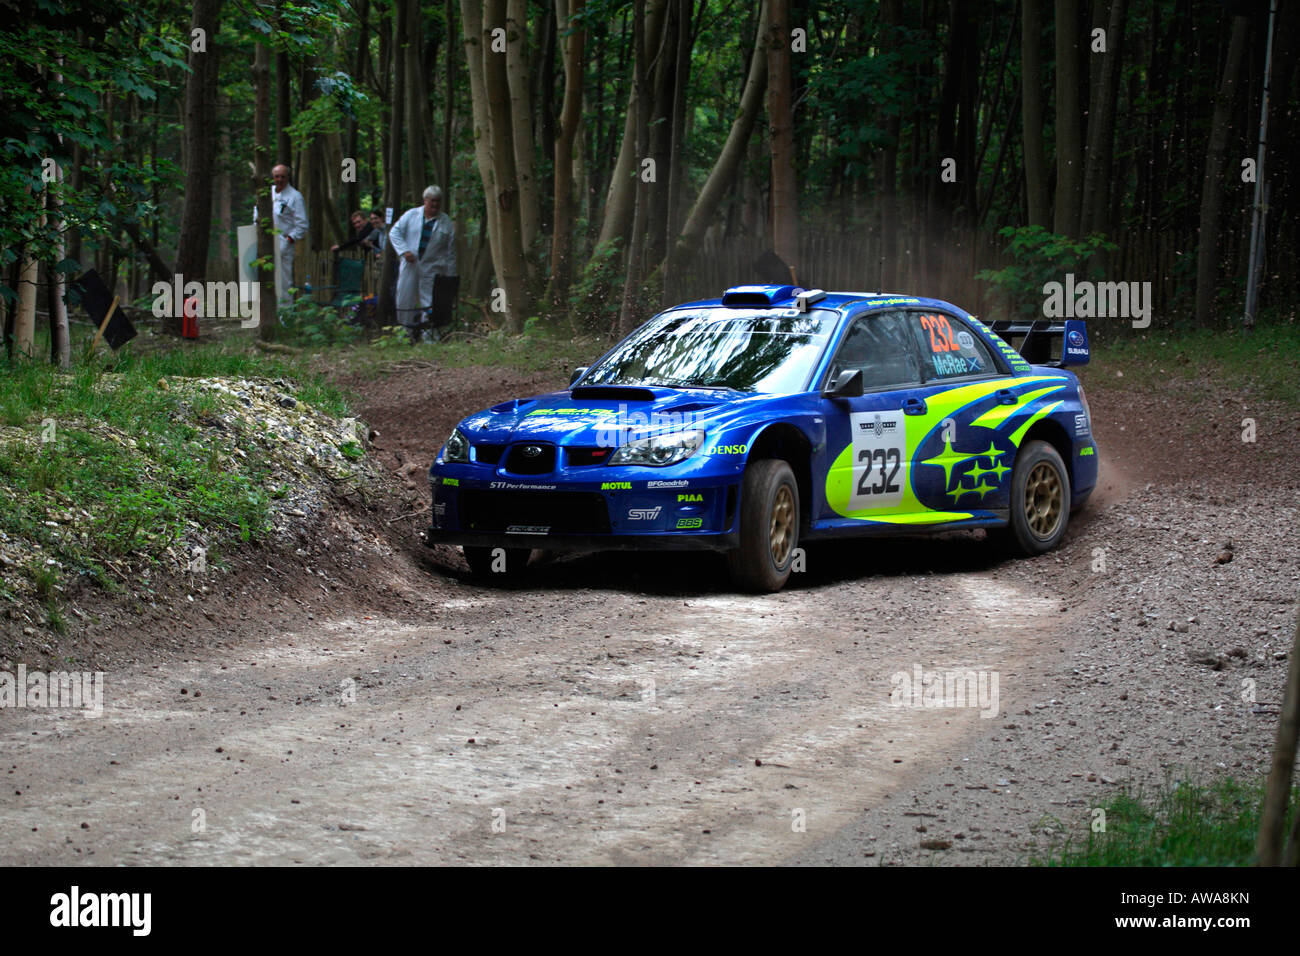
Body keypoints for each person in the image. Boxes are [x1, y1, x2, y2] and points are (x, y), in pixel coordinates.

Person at [388, 186, 456, 342]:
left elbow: (450, 252)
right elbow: (394, 233)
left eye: (438, 201)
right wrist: (404, 251)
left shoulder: (446, 222)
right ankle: (405, 335)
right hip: (410, 265)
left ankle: (430, 337)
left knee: (430, 302)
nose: (435, 205)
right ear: (425, 200)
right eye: (432, 201)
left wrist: (450, 276)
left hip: (433, 267)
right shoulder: (411, 215)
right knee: (404, 299)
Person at [270, 164, 309, 302]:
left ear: (288, 177)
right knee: (267, 281)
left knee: (283, 281)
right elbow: (257, 211)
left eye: (283, 176)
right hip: (266, 242)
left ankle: (285, 312)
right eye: (277, 176)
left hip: (283, 244)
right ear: (272, 177)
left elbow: (302, 225)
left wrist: (289, 240)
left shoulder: (295, 196)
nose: (279, 179)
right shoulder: (268, 193)